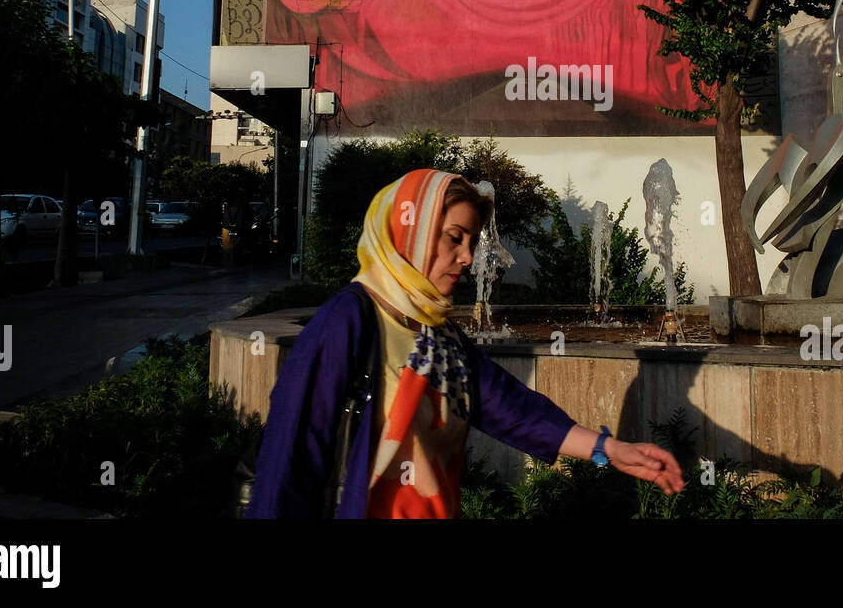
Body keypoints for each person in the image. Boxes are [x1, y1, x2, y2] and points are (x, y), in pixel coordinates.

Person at [247, 168, 684, 518]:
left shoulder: (440, 336)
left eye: (471, 242)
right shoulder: (350, 319)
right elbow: (288, 462)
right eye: (453, 238)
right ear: (411, 231)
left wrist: (609, 449)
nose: (467, 257)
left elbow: (511, 408)